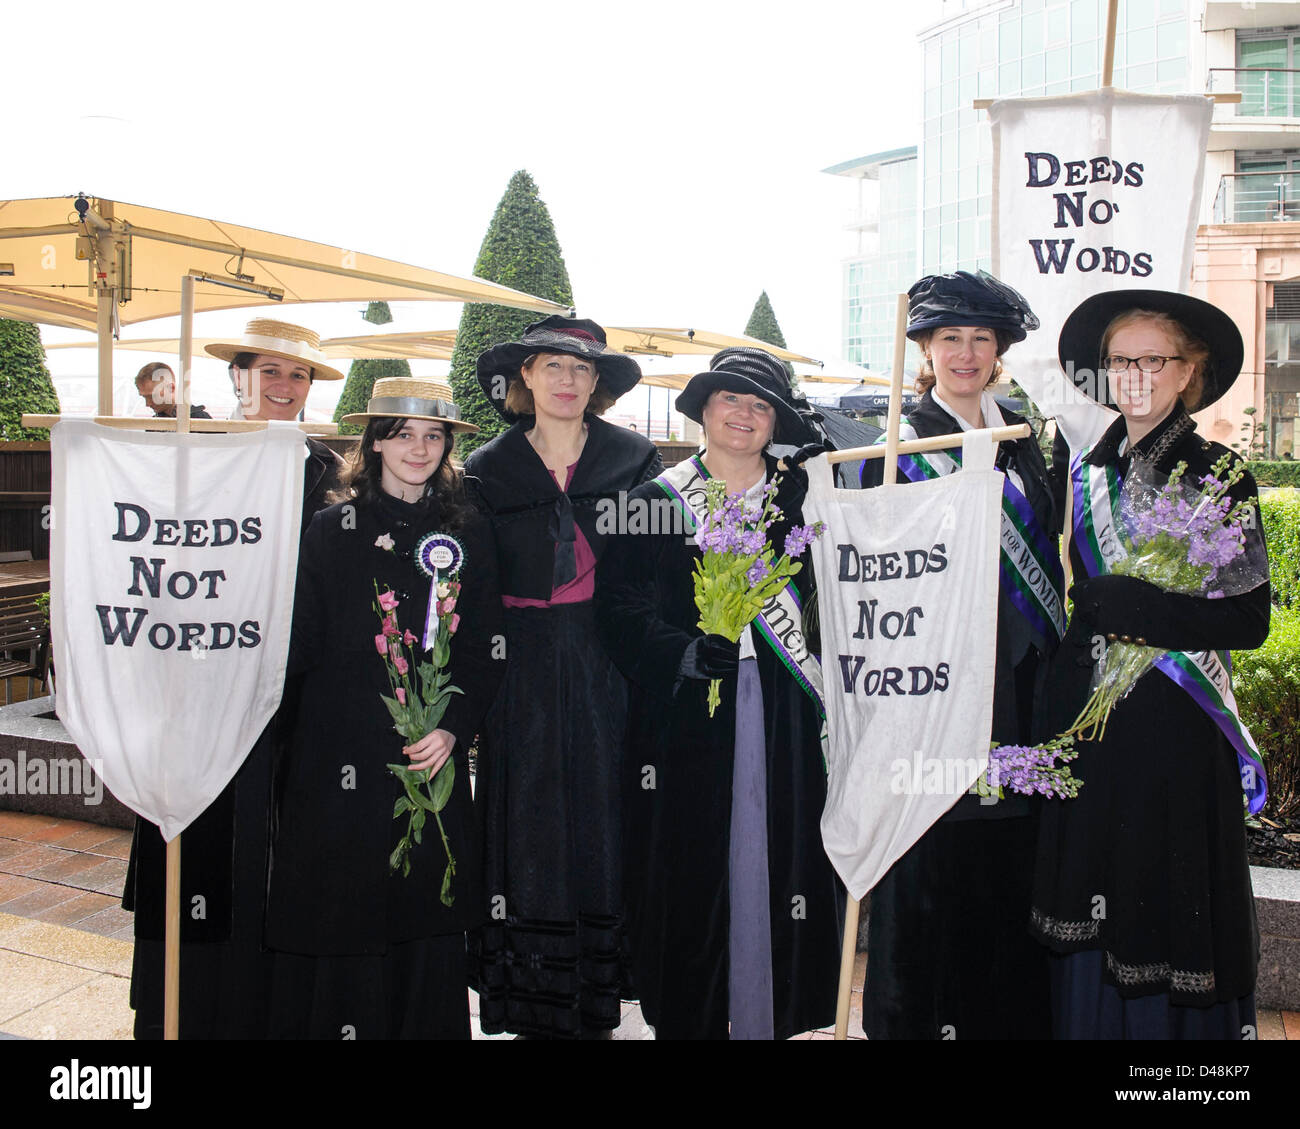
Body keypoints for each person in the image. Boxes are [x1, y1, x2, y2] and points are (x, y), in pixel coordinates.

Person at [1031, 289, 1270, 1039]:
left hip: (1176, 726)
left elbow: (1248, 620)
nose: (1133, 374)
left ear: (1187, 371)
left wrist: (1141, 611)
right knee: (1095, 893)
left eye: (1152, 359)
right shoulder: (1079, 469)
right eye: (1118, 361)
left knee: (1163, 896)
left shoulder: (1218, 473)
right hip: (1094, 727)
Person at [596, 347, 843, 1040]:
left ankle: (775, 1009)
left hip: (785, 718)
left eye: (761, 405)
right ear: (703, 410)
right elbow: (617, 607)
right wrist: (679, 653)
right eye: (730, 399)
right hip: (684, 722)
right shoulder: (652, 502)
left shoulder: (803, 503)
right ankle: (692, 1012)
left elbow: (837, 603)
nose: (744, 414)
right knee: (690, 866)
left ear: (775, 423)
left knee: (779, 857)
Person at [122, 318, 346, 1038]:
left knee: (276, 857)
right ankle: (184, 1012)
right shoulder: (194, 457)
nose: (284, 387)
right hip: (199, 690)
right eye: (269, 371)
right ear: (237, 378)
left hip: (292, 701)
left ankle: (266, 1013)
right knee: (197, 851)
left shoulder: (327, 471)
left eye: (298, 375)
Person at [263, 377, 502, 1038]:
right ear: (373, 442)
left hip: (423, 758)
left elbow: (486, 646)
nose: (418, 448)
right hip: (334, 751)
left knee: (422, 905)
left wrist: (456, 728)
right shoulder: (329, 528)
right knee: (338, 903)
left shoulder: (469, 533)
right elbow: (299, 640)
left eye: (433, 435)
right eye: (401, 433)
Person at [859, 270, 1057, 1040]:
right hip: (930, 697)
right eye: (950, 339)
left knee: (1009, 870)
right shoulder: (893, 448)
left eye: (982, 339)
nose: (966, 354)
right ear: (925, 349)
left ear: (999, 351)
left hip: (1021, 694)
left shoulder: (1026, 441)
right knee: (927, 876)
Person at [464, 315, 662, 1039]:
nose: (568, 380)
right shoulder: (486, 469)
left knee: (607, 812)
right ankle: (533, 996)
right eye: (553, 366)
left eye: (582, 370)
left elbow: (652, 577)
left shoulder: (636, 460)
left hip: (609, 661)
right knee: (529, 818)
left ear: (598, 383)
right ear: (526, 377)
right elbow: (474, 588)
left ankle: (599, 993)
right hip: (519, 666)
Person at [134, 361, 210, 419]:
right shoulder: (153, 424)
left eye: (153, 396)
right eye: (144, 397)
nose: (147, 404)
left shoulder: (201, 420)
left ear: (171, 388)